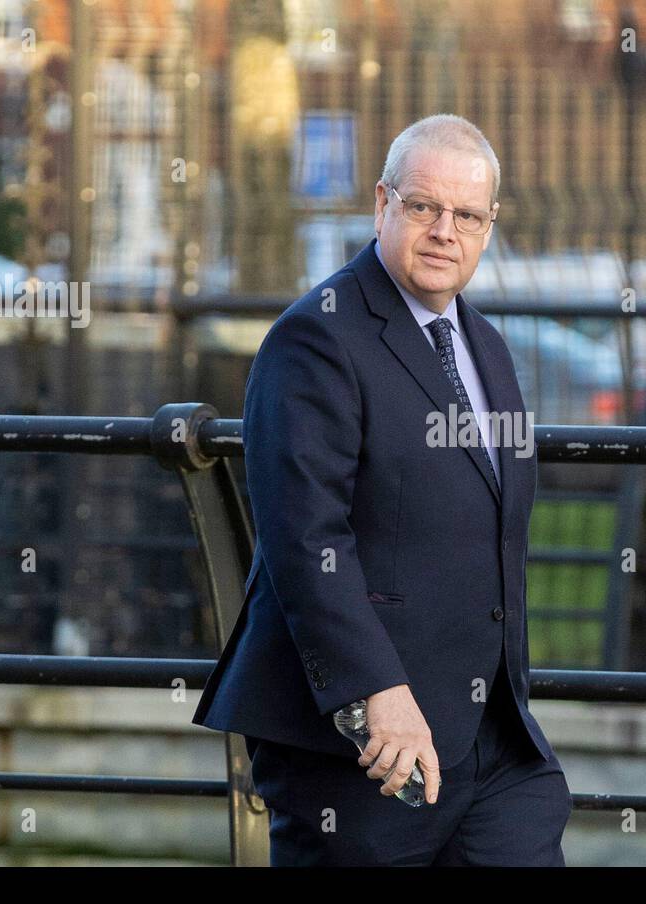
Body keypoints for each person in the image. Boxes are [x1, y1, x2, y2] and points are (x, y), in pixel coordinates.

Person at [191, 113, 572, 865]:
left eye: (466, 215)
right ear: (383, 204)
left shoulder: (487, 349)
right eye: (423, 206)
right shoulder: (317, 340)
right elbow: (306, 541)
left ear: (489, 227)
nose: (444, 231)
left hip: (490, 743)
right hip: (362, 749)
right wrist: (375, 695)